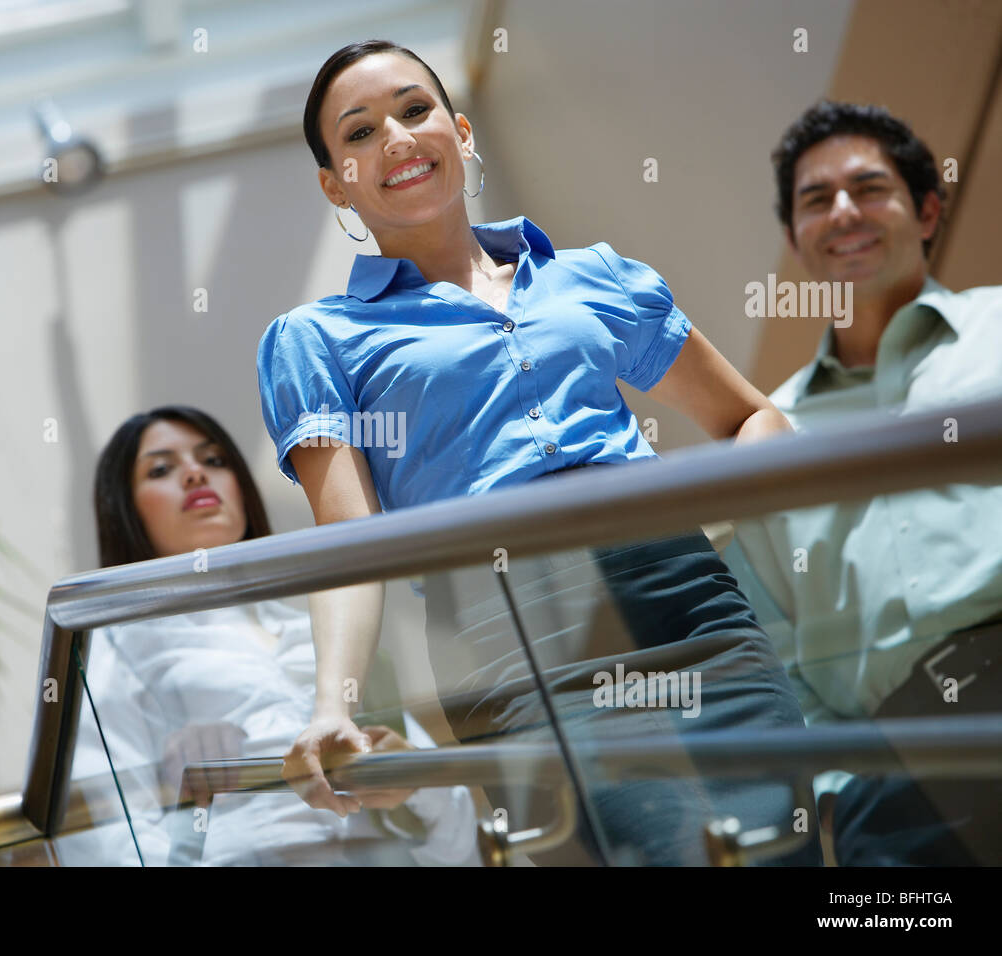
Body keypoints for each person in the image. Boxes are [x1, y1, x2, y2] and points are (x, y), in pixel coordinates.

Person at [256, 40, 822, 865]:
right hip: (509, 628)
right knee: (664, 851)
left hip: (691, 605)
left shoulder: (592, 274)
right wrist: (334, 701)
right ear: (335, 182)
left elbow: (751, 419)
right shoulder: (316, 339)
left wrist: (695, 519)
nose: (398, 139)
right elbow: (349, 549)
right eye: (362, 132)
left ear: (460, 130)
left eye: (415, 112)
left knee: (784, 849)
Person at [722, 101, 1002, 865]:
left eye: (869, 188)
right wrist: (841, 785)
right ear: (794, 240)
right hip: (894, 774)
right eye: (816, 200)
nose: (843, 210)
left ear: (928, 210)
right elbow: (773, 647)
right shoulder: (765, 430)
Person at [68, 405, 480, 866]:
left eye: (214, 461)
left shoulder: (326, 630)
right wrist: (184, 803)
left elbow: (460, 840)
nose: (194, 474)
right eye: (161, 468)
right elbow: (99, 844)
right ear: (124, 509)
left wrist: (411, 779)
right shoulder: (115, 645)